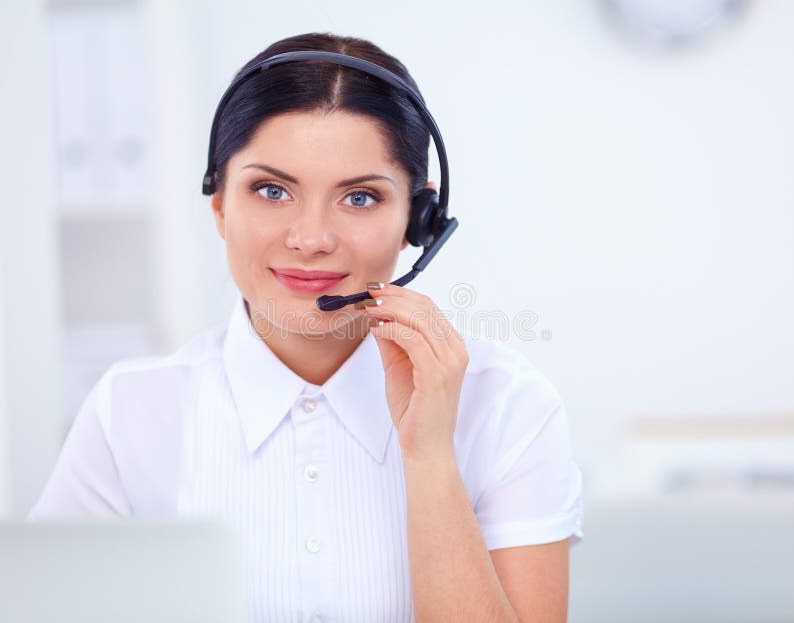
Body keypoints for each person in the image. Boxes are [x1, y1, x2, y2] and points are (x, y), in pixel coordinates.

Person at [28, 32, 584, 623]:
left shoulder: (506, 406)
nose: (310, 238)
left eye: (361, 198)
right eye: (272, 190)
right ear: (218, 204)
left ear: (418, 222)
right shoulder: (129, 410)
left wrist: (428, 457)